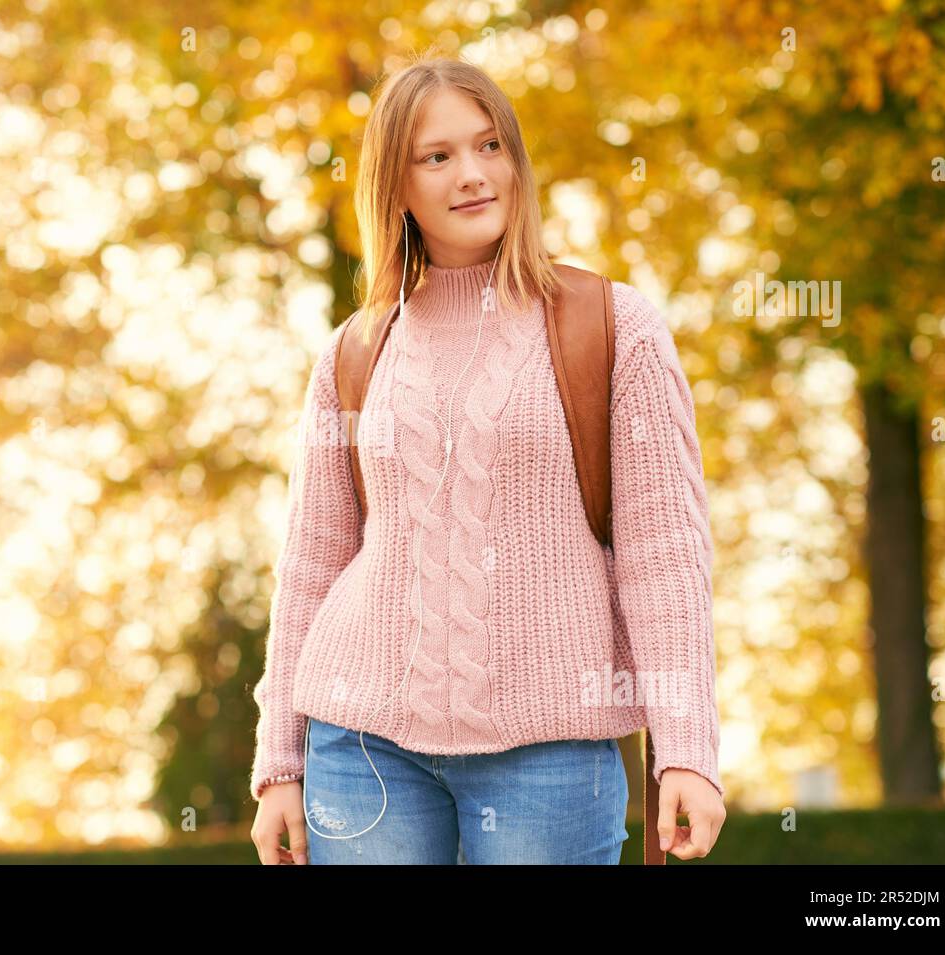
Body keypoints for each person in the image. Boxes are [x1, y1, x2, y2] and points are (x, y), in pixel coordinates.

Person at [248, 53, 725, 864]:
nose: (472, 174)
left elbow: (665, 554)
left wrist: (687, 745)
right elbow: (313, 562)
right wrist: (280, 761)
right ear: (395, 185)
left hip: (551, 752)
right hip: (361, 750)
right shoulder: (355, 352)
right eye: (437, 157)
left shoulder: (615, 327)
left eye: (489, 145)